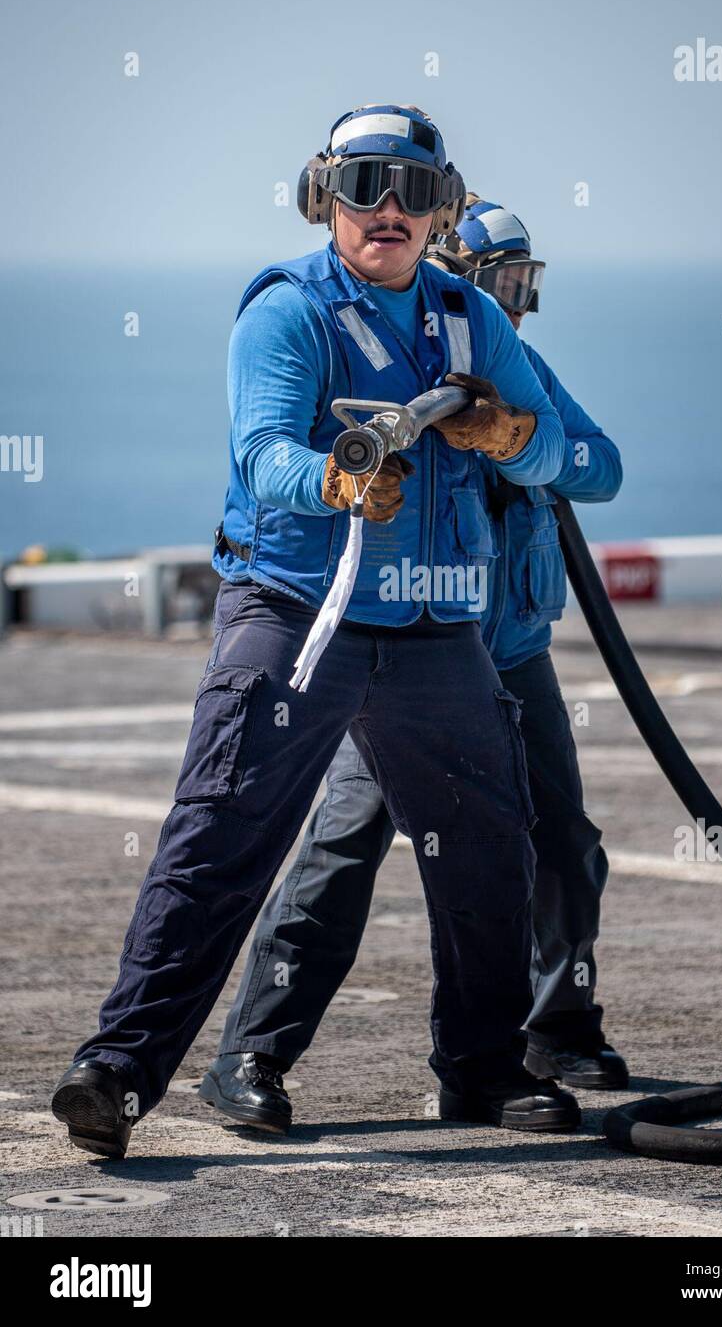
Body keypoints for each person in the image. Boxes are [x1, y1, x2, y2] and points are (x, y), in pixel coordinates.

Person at [50, 105, 583, 1158]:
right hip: (297, 615)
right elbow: (260, 455)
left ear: (440, 209)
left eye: (413, 191)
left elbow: (562, 450)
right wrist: (335, 477)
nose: (387, 210)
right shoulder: (285, 311)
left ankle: (479, 1070)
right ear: (322, 197)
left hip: (436, 632)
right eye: (365, 186)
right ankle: (115, 1072)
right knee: (220, 840)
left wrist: (509, 435)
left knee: (486, 851)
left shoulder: (474, 323)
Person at [199, 195, 627, 1137]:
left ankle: (551, 1029)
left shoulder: (511, 373)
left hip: (510, 654)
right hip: (415, 652)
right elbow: (285, 461)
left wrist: (516, 436)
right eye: (499, 284)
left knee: (559, 848)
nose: (512, 307)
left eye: (525, 285)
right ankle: (252, 1059)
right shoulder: (390, 357)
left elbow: (598, 465)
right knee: (339, 857)